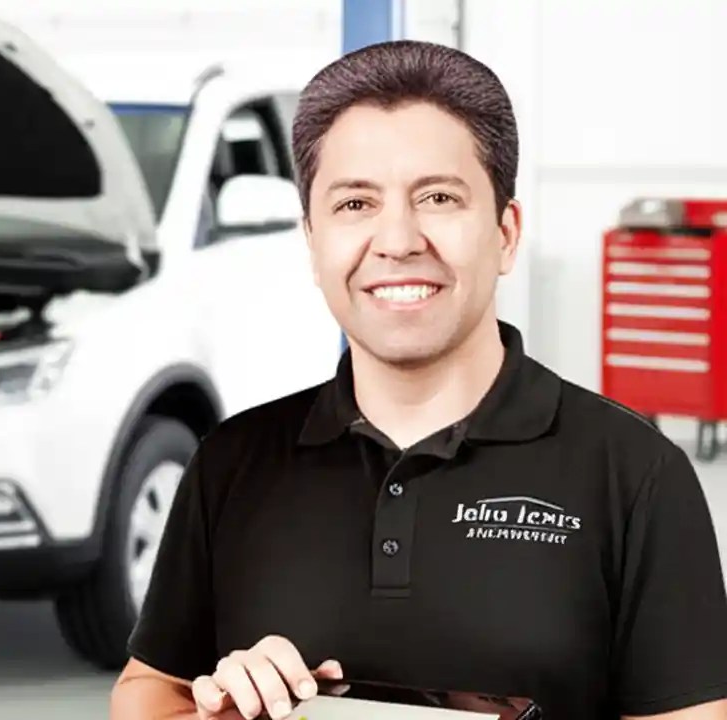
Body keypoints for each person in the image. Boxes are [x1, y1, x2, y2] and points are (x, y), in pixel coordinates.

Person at [109, 40, 727, 720]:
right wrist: (219, 712)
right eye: (354, 204)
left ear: (506, 233)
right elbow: (147, 695)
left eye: (437, 197)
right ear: (312, 242)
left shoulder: (634, 475)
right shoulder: (231, 463)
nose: (397, 239)